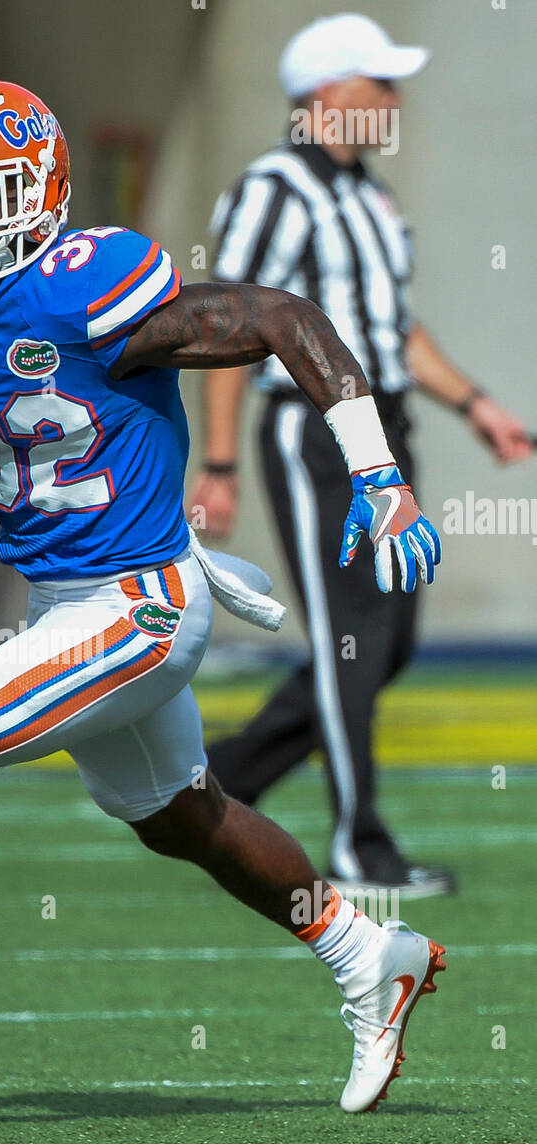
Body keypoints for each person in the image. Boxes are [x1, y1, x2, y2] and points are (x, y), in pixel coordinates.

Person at [0, 78, 445, 1114]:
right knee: (181, 816)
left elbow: (281, 315)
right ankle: (368, 954)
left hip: (137, 607)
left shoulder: (88, 286)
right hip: (66, 598)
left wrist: (375, 471)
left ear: (39, 189)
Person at [190, 14, 533, 896]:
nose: (392, 99)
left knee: (388, 639)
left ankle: (225, 776)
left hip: (381, 429)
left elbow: (393, 329)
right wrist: (219, 464)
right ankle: (358, 850)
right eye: (376, 82)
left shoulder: (367, 198)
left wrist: (474, 405)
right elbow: (226, 322)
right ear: (322, 95)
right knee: (353, 636)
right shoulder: (274, 188)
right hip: (311, 431)